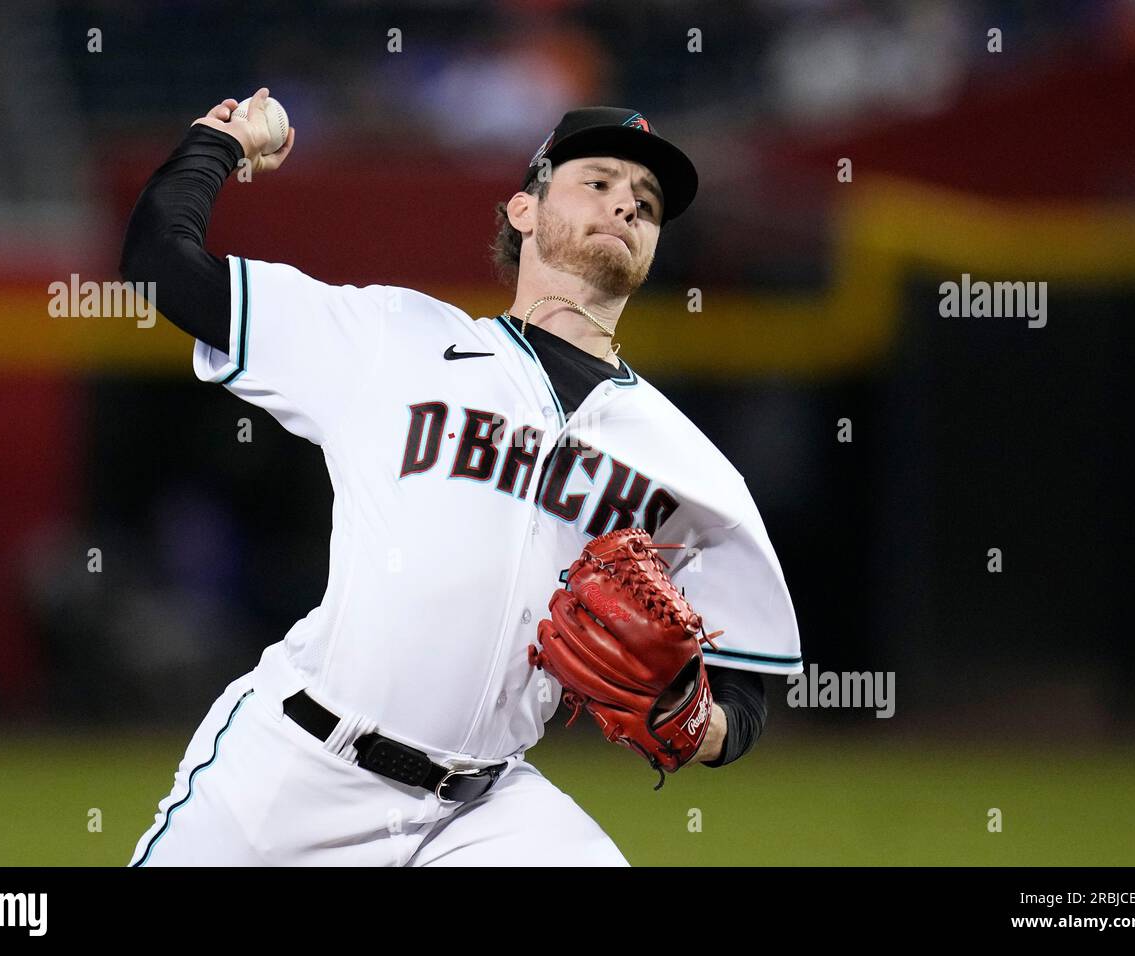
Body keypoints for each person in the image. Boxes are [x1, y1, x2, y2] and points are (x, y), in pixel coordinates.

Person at [120, 90, 802, 866]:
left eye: (647, 201)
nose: (628, 205)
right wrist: (217, 146)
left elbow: (748, 690)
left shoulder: (689, 466)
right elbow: (160, 265)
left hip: (484, 813)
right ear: (522, 209)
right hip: (295, 773)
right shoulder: (390, 340)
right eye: (600, 181)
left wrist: (693, 720)